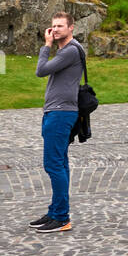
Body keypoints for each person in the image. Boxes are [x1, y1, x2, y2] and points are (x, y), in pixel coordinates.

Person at [29, 12, 85, 233]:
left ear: (72, 28)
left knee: (53, 164)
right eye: (53, 26)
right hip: (59, 112)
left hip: (60, 113)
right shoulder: (68, 50)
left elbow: (40, 71)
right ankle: (56, 211)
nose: (55, 30)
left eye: (60, 26)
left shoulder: (71, 50)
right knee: (60, 163)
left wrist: (46, 45)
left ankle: (61, 217)